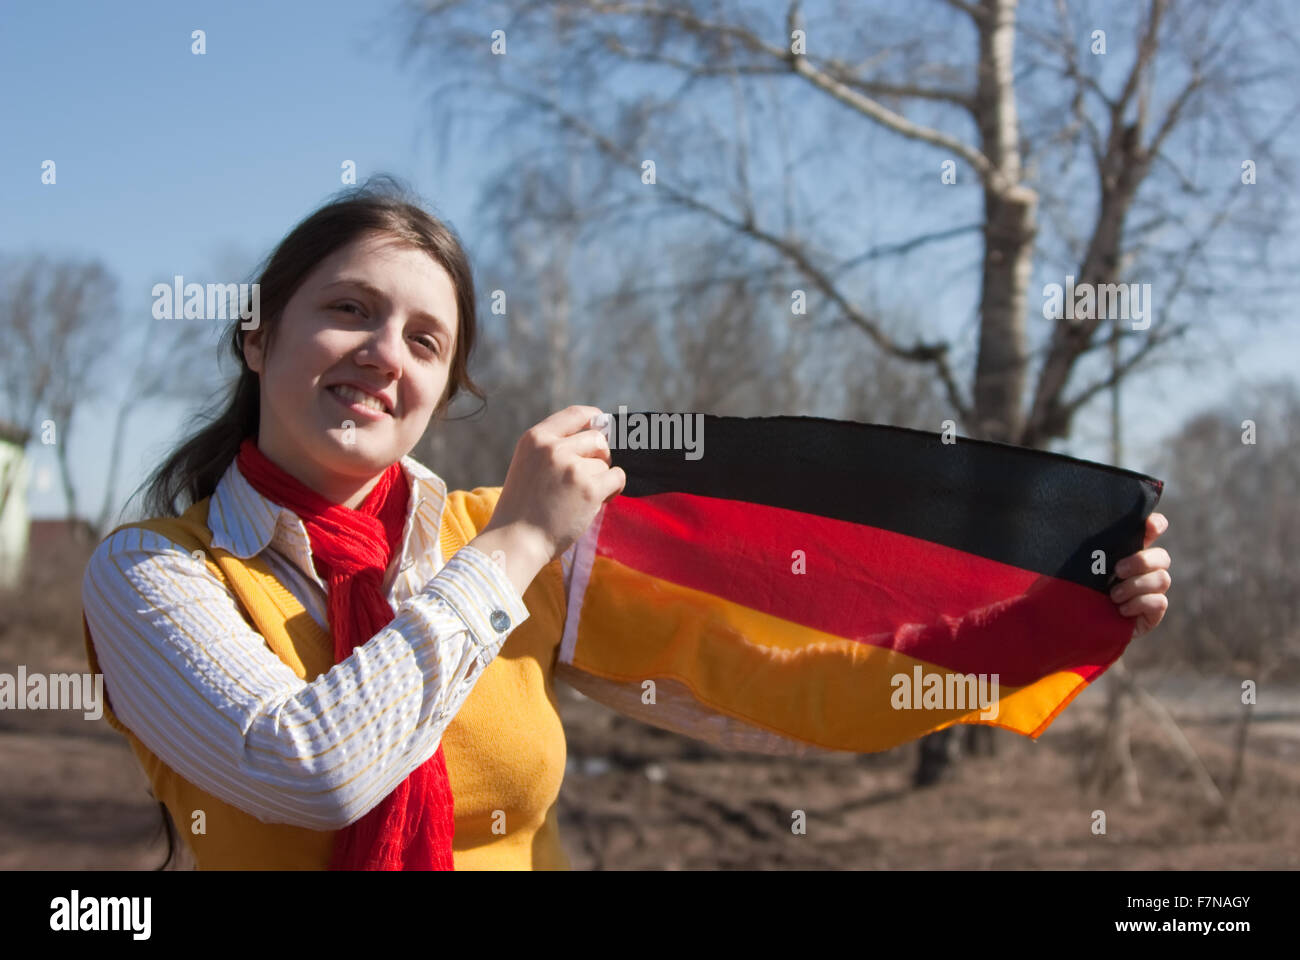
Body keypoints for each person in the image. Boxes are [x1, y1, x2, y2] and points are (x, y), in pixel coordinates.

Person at [80, 177, 1173, 870]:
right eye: (349, 310)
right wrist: (512, 545)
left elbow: (778, 686)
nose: (384, 354)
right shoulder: (152, 575)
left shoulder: (496, 531)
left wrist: (1033, 613)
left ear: (443, 391)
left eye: (426, 340)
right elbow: (310, 770)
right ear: (260, 339)